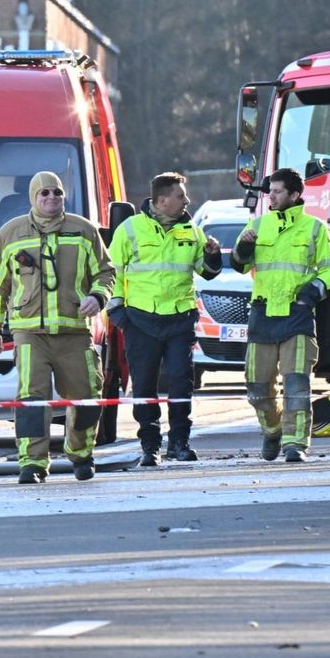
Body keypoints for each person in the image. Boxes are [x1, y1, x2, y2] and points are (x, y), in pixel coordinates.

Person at [0, 171, 114, 483]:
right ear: (33, 197)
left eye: (57, 193)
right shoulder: (11, 233)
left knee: (87, 395)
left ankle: (80, 453)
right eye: (44, 194)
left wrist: (98, 297)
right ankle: (32, 463)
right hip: (29, 334)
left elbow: (106, 273)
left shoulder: (83, 231)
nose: (51, 198)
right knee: (31, 397)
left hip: (74, 331)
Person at [107, 171, 221, 465]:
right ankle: (150, 445)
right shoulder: (130, 230)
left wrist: (212, 256)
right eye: (181, 195)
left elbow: (206, 272)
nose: (187, 200)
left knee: (181, 382)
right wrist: (118, 312)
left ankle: (180, 442)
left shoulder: (191, 230)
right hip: (140, 320)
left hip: (180, 320)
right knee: (144, 385)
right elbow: (112, 274)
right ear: (162, 200)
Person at [231, 167, 330, 463]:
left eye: (278, 191)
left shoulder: (315, 228)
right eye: (270, 191)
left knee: (296, 385)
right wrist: (243, 247)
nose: (271, 196)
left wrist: (311, 293)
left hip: (298, 316)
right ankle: (273, 430)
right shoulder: (258, 224)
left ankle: (295, 444)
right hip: (263, 314)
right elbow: (239, 264)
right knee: (256, 386)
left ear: (295, 195)